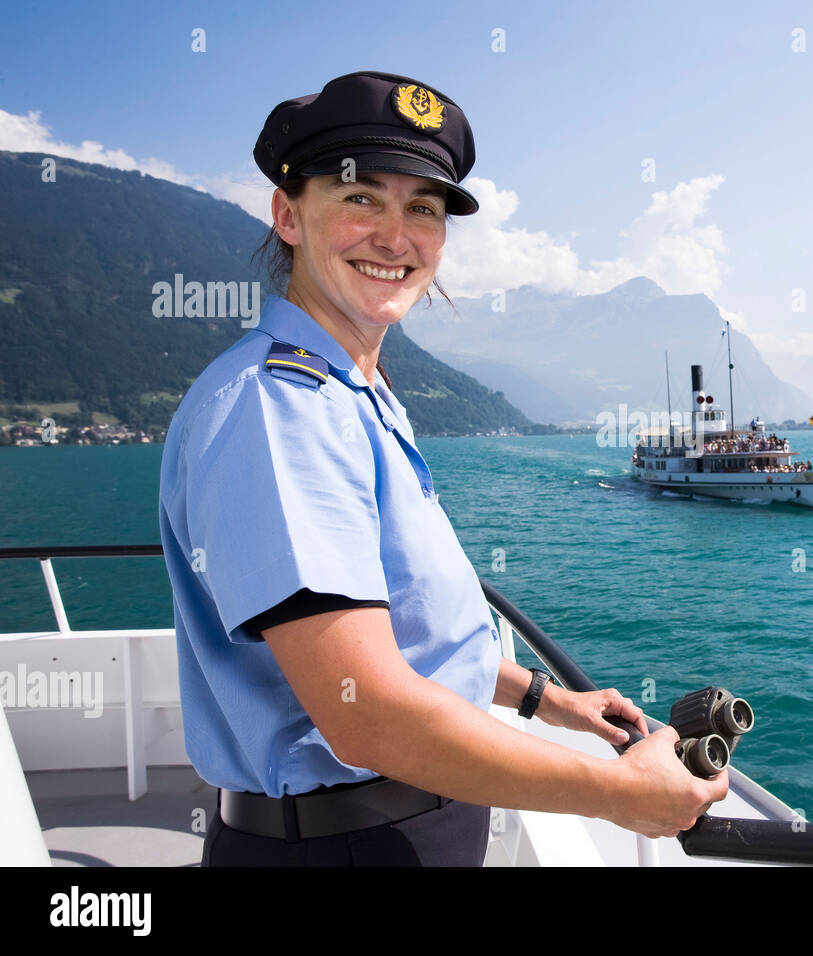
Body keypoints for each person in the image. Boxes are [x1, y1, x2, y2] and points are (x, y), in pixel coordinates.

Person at [157, 71, 726, 866]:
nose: (396, 237)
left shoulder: (352, 392)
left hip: (398, 827)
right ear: (288, 215)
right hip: (348, 846)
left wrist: (543, 697)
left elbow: (403, 628)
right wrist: (620, 792)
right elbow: (367, 713)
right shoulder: (280, 409)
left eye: (423, 208)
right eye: (361, 198)